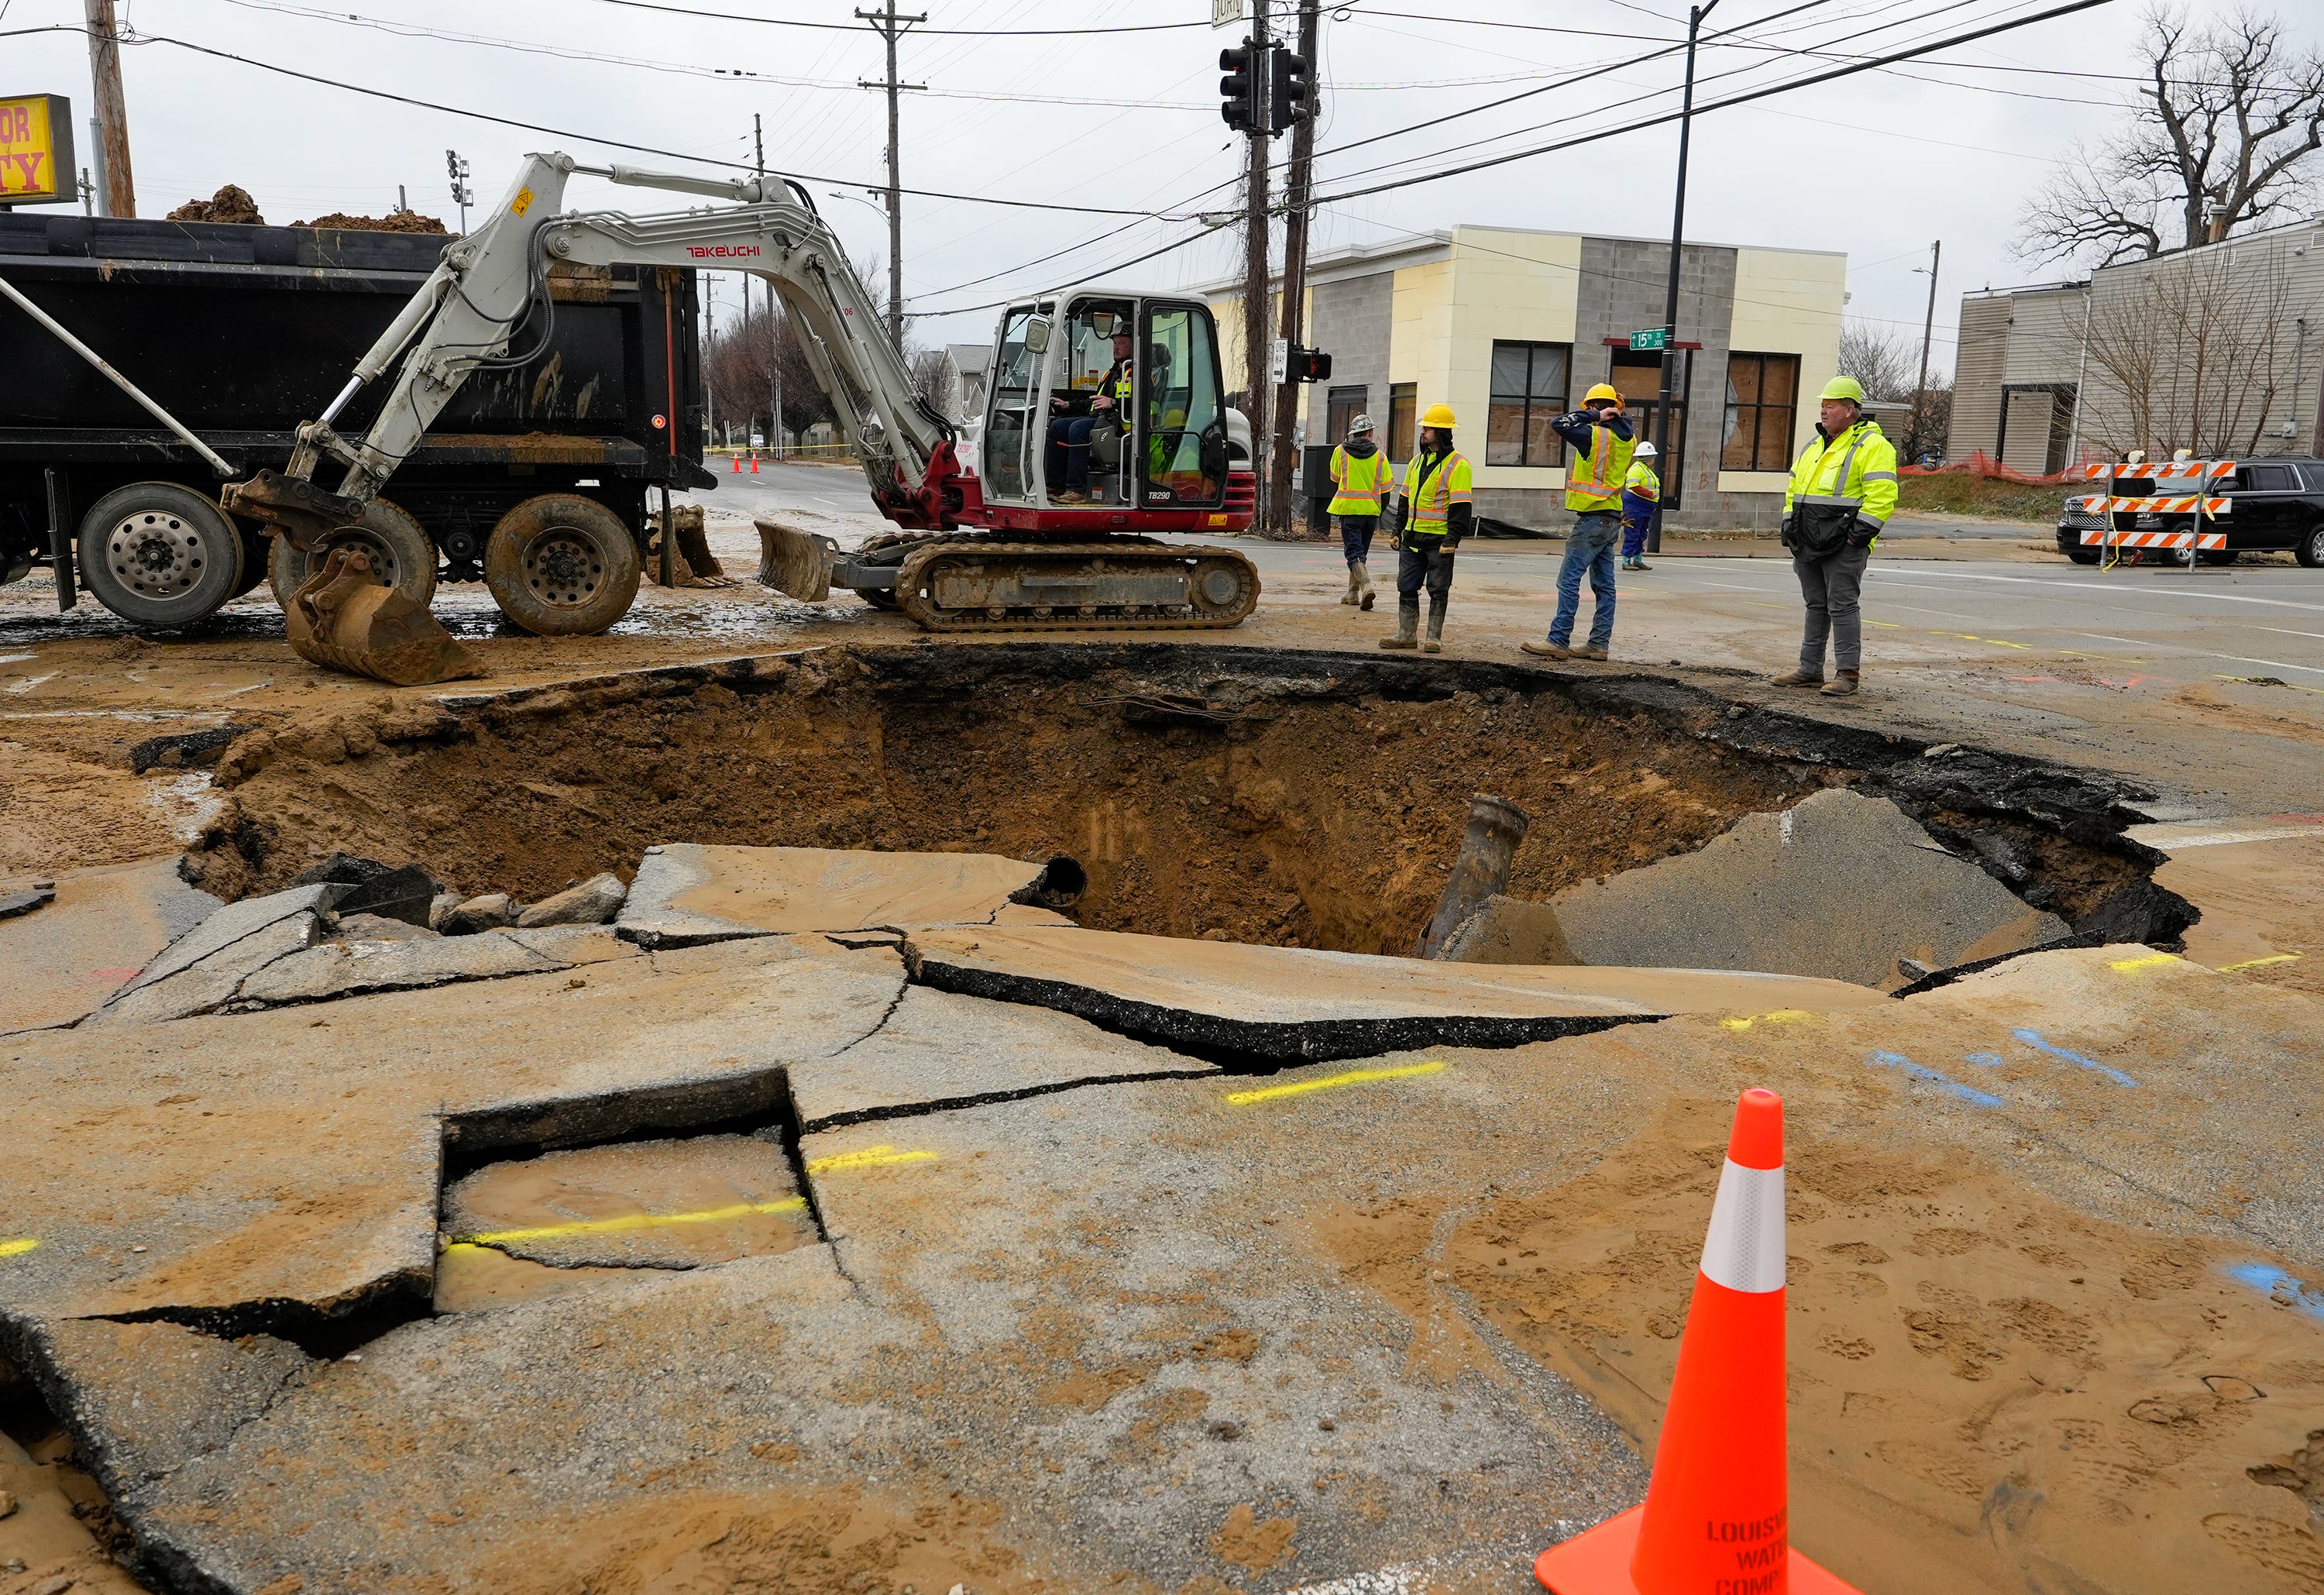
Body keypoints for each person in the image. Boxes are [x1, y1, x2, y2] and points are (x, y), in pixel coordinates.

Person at [1772, 375, 1897, 697]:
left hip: (1844, 543)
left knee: (1841, 605)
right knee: (1816, 604)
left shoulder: (1873, 446)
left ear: (1850, 410)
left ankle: (1847, 674)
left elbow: (1882, 494)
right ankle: (1810, 670)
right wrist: (1789, 526)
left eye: (1830, 405)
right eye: (1823, 405)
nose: (1824, 411)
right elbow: (1793, 490)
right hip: (1807, 541)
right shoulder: (1814, 445)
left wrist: (1859, 536)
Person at [1521, 382, 1634, 662]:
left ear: (1595, 407)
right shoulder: (1627, 437)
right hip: (1611, 519)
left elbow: (1559, 423)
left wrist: (1595, 417)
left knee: (1568, 580)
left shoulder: (1593, 435)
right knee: (1605, 586)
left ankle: (1558, 640)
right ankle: (1598, 644)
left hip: (1592, 519)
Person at [1378, 403, 1473, 654]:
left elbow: (1461, 507)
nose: (1423, 432)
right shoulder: (1416, 463)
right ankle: (1406, 634)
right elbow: (1405, 500)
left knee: (1438, 589)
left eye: (1428, 428)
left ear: (1441, 432)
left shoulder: (1458, 465)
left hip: (1439, 540)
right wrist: (1397, 531)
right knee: (1406, 585)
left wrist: (1452, 538)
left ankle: (1434, 637)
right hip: (1412, 537)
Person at [1045, 328, 1135, 504]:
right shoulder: (1111, 373)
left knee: (1078, 428)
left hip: (1121, 425)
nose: (1116, 348)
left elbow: (1145, 403)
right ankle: (1055, 485)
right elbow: (1093, 402)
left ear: (1135, 345)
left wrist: (1114, 403)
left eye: (1122, 343)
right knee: (1057, 427)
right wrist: (1068, 405)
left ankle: (1076, 490)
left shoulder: (1138, 373)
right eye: (1114, 343)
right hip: (1101, 420)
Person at [1327, 413, 1391, 610]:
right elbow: (1386, 491)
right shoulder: (1381, 456)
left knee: (1353, 553)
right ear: (1370, 433)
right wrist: (1378, 511)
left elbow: (1334, 481)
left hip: (1349, 510)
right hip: (1371, 513)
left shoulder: (1340, 451)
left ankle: (1366, 585)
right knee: (1360, 553)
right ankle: (1352, 593)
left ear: (1354, 433)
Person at [1621, 439, 1662, 572]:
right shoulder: (1637, 469)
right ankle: (1627, 560)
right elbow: (1633, 485)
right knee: (1633, 533)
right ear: (1648, 457)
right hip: (1635, 506)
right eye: (1653, 457)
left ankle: (1638, 559)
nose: (1654, 459)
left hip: (1643, 507)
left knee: (1641, 533)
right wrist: (1650, 495)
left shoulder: (1644, 469)